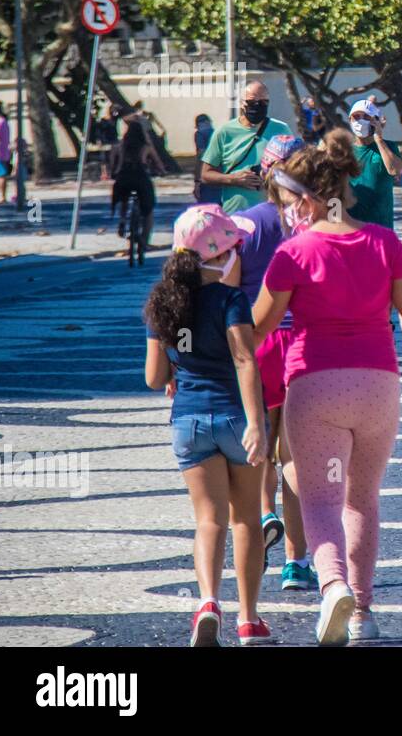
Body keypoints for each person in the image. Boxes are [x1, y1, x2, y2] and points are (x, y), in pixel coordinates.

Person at [253, 131, 402, 644]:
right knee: (363, 500)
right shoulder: (383, 243)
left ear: (305, 198)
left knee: (322, 501)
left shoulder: (295, 252)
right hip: (378, 385)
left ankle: (332, 587)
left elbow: (257, 327)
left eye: (288, 199)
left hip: (316, 384)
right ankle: (363, 614)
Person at [143, 205, 271, 646]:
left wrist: (179, 369)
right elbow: (244, 359)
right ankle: (250, 618)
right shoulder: (231, 299)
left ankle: (207, 602)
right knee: (248, 521)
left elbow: (154, 378)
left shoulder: (162, 300)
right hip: (235, 417)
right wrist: (258, 423)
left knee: (209, 521)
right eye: (236, 246)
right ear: (221, 255)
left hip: (190, 422)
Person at [235, 134, 314, 589]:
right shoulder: (311, 225)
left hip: (255, 342)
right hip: (301, 342)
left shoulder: (244, 225)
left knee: (256, 442)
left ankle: (264, 514)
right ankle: (297, 563)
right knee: (295, 457)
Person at [199, 82, 291, 213]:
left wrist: (269, 175)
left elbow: (294, 168)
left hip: (272, 214)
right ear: (242, 103)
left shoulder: (281, 129)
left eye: (264, 102)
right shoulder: (225, 132)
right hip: (235, 215)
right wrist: (234, 179)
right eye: (252, 102)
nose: (258, 106)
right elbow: (205, 174)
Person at [344, 97, 402, 230]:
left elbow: (396, 170)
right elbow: (333, 188)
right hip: (351, 228)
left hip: (381, 228)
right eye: (356, 117)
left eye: (366, 117)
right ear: (350, 120)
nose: (360, 120)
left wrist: (378, 139)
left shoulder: (388, 146)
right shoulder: (345, 150)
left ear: (376, 122)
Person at [110, 120, 165, 245]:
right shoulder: (146, 147)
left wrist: (113, 173)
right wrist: (162, 171)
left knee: (123, 198)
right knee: (148, 209)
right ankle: (145, 241)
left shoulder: (120, 146)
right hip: (140, 177)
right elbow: (158, 163)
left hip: (123, 177)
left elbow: (113, 165)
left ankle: (123, 219)